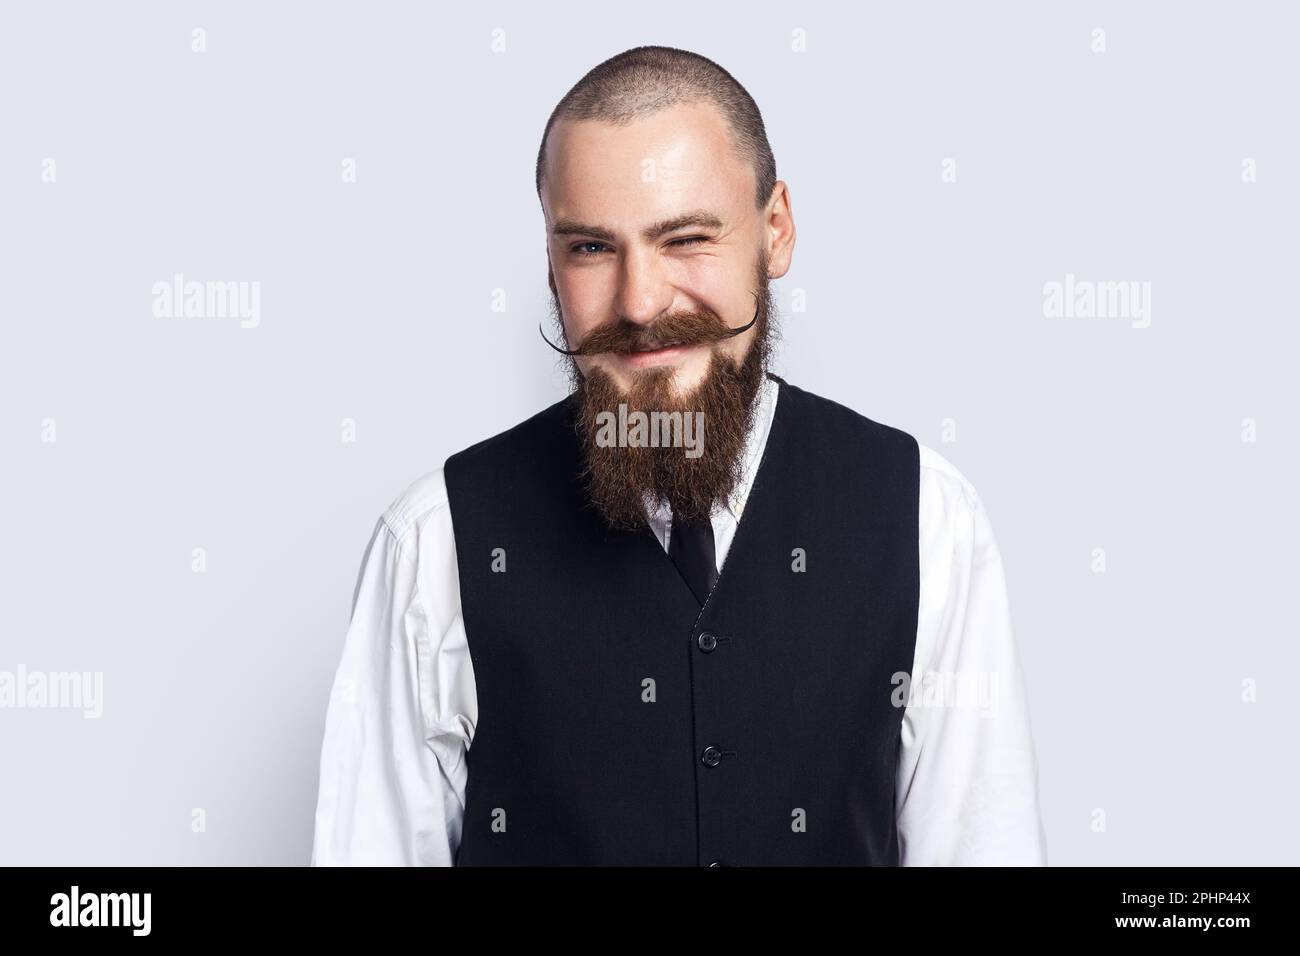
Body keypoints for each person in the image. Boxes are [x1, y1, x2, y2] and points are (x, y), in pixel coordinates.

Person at [311, 45, 1047, 866]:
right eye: (591, 248)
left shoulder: (926, 518)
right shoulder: (432, 544)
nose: (640, 303)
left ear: (775, 232)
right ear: (551, 265)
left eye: (687, 238)